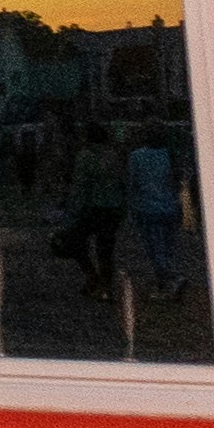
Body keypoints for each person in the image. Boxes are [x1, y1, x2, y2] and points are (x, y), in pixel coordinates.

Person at [64, 128, 126, 299]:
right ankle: (106, 287)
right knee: (105, 249)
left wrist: (73, 211)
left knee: (73, 241)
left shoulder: (85, 156)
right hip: (112, 208)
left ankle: (91, 274)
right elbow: (122, 182)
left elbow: (80, 186)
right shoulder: (113, 156)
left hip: (92, 209)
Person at [126, 131, 185, 299]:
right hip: (170, 207)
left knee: (154, 247)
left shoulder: (136, 156)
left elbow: (132, 183)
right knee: (168, 246)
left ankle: (170, 279)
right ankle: (167, 282)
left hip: (147, 208)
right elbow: (177, 179)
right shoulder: (170, 155)